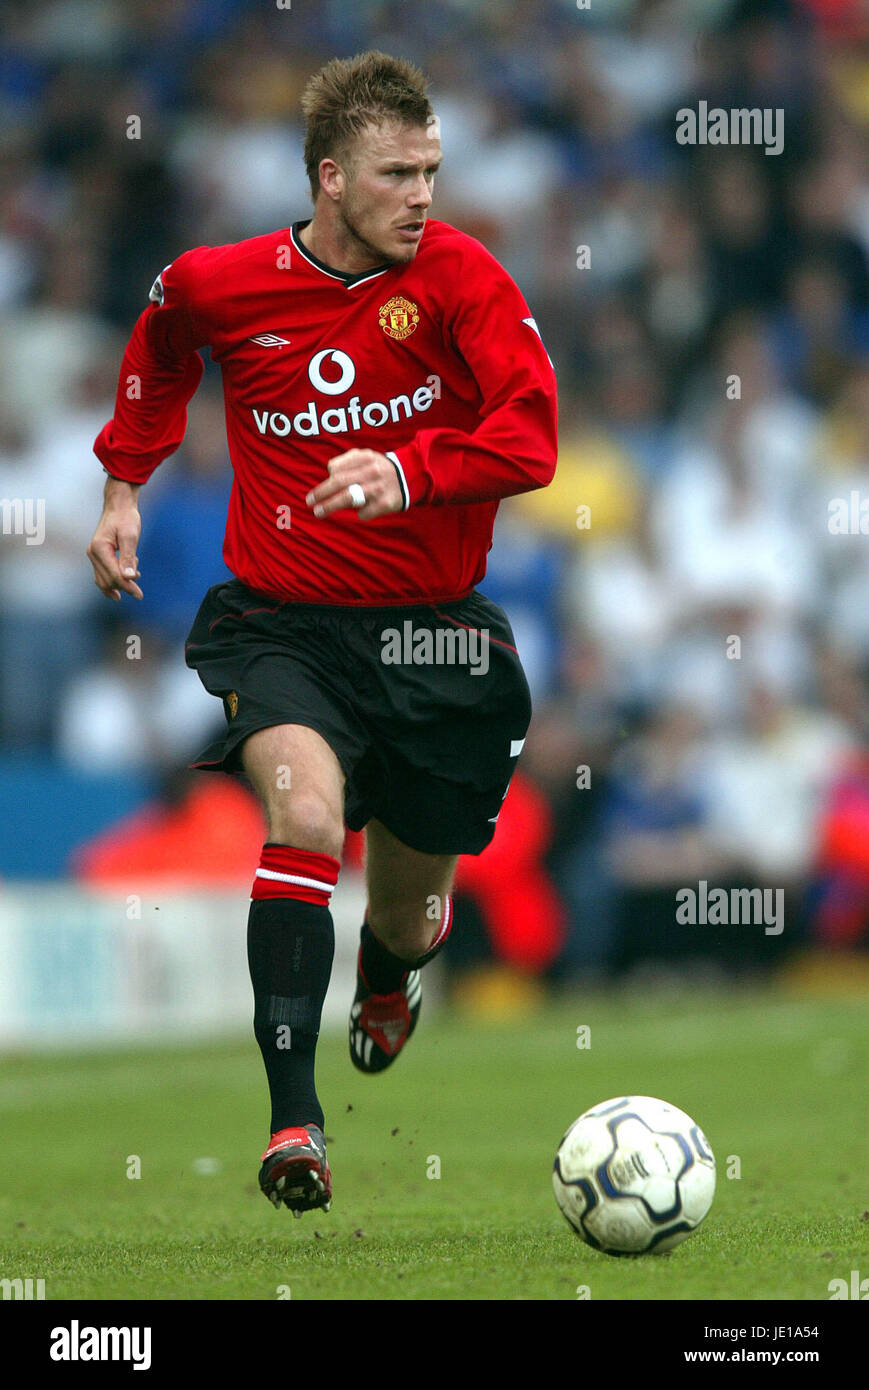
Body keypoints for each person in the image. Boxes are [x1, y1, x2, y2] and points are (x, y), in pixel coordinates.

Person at [86, 51, 558, 1217]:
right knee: (300, 813)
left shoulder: (463, 281)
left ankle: (390, 972)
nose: (424, 195)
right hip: (283, 624)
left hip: (433, 638)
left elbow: (532, 439)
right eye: (399, 173)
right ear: (330, 176)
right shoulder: (221, 282)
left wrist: (406, 474)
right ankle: (292, 1116)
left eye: (433, 171)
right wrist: (120, 486)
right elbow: (160, 345)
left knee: (403, 906)